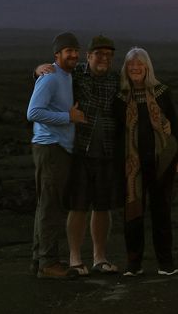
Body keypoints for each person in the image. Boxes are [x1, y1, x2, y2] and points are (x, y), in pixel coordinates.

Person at [37, 34, 123, 276]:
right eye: (99, 54)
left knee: (103, 207)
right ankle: (75, 259)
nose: (104, 59)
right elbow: (51, 80)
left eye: (109, 55)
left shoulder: (117, 80)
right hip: (80, 151)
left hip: (107, 151)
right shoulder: (74, 76)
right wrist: (36, 71)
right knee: (79, 206)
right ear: (89, 56)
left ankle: (100, 258)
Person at [118, 46, 178, 277]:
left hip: (162, 162)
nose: (135, 68)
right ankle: (133, 265)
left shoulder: (161, 91)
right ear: (126, 68)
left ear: (147, 66)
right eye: (131, 65)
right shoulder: (120, 96)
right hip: (131, 166)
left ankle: (166, 264)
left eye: (140, 64)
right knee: (133, 213)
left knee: (162, 212)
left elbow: (174, 124)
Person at [27, 31, 86, 279]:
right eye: (68, 51)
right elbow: (33, 112)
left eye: (75, 50)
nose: (73, 54)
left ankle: (39, 259)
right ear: (57, 55)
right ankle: (48, 263)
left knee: (47, 205)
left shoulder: (68, 75)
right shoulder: (51, 78)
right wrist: (67, 118)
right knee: (51, 207)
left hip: (59, 148)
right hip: (50, 147)